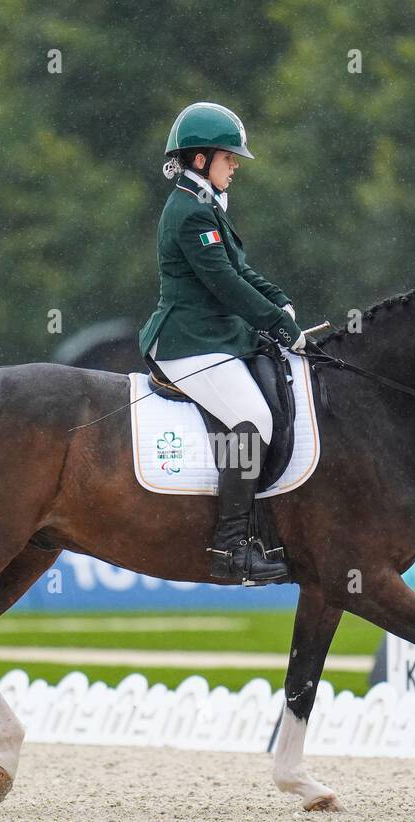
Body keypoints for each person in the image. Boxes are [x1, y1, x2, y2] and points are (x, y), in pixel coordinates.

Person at [137, 101, 306, 585]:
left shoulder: (205, 205)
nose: (235, 166)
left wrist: (280, 302)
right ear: (199, 160)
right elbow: (224, 286)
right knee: (252, 419)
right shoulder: (190, 212)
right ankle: (231, 547)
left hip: (214, 339)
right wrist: (280, 326)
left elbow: (239, 271)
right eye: (228, 158)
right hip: (188, 341)